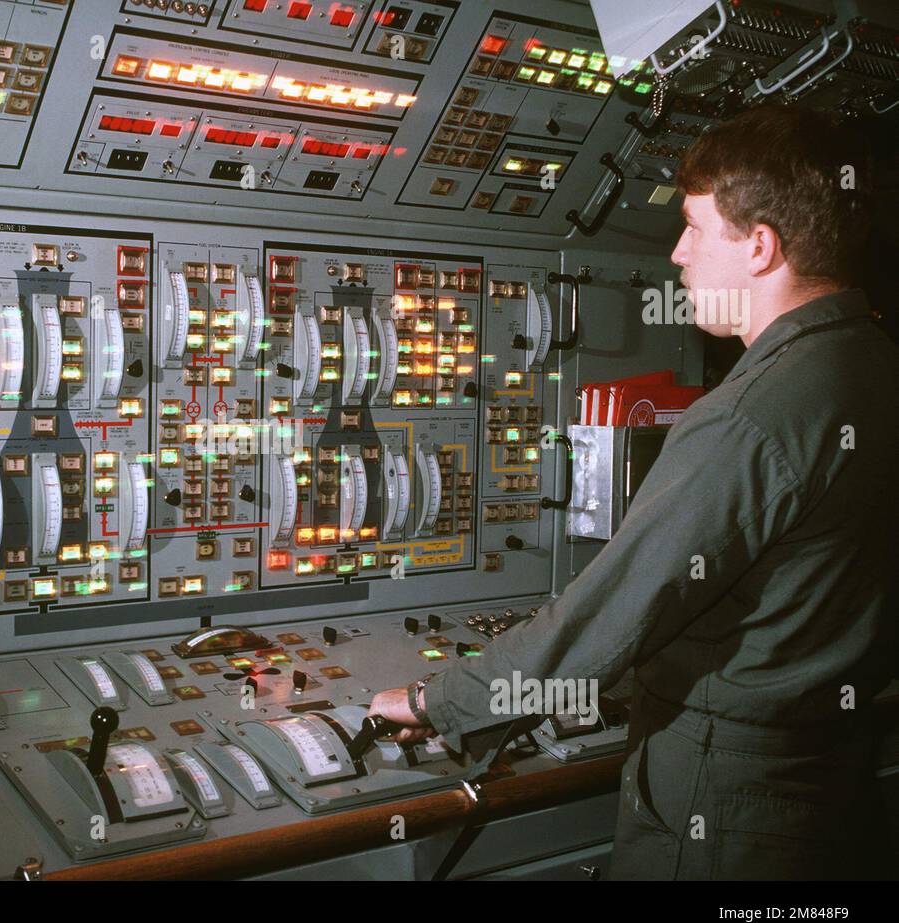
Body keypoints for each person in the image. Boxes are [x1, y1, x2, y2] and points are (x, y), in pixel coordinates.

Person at [368, 104, 897, 879]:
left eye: (694, 227)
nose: (677, 252)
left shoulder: (747, 418)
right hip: (834, 783)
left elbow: (611, 613)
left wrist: (435, 700)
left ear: (760, 247)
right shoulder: (877, 363)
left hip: (724, 799)